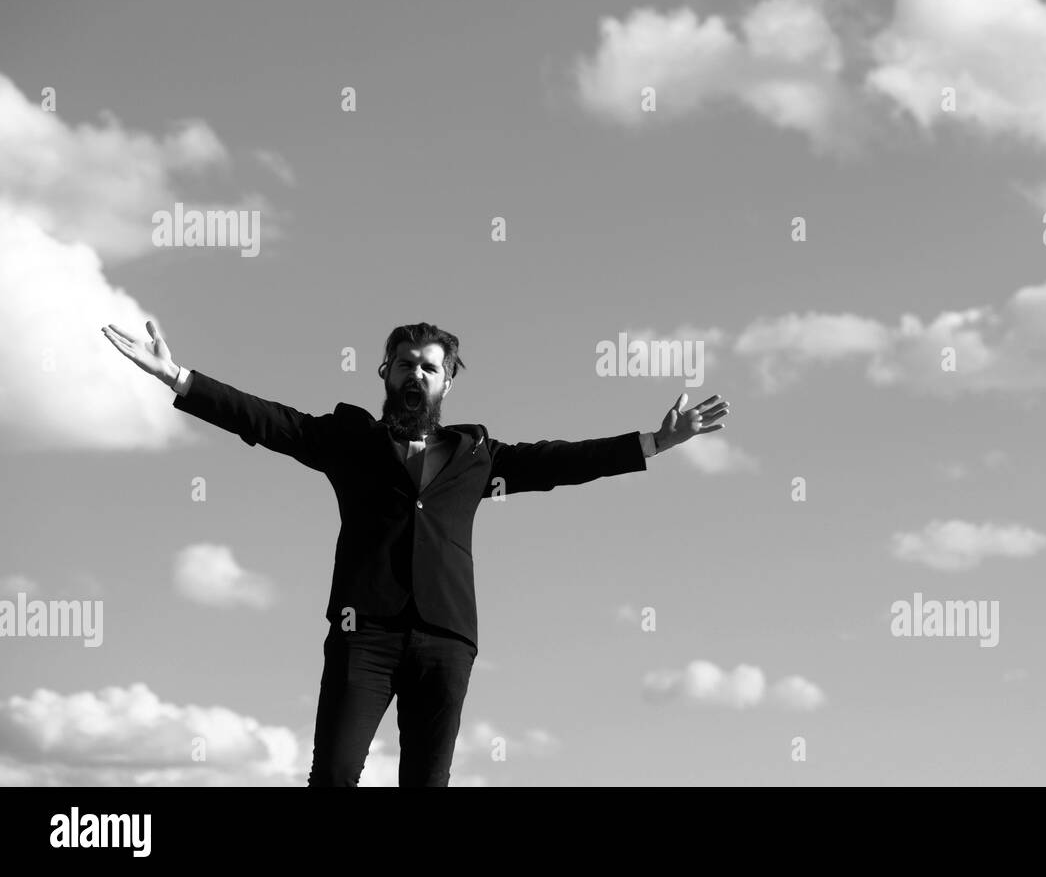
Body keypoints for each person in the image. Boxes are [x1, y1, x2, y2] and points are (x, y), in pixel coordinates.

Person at [101, 319, 729, 786]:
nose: (415, 375)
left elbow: (565, 462)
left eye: (429, 367)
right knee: (335, 775)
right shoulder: (347, 440)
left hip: (445, 641)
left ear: (447, 379)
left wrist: (652, 442)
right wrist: (178, 377)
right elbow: (266, 421)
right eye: (405, 365)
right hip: (363, 635)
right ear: (386, 373)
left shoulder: (480, 457)